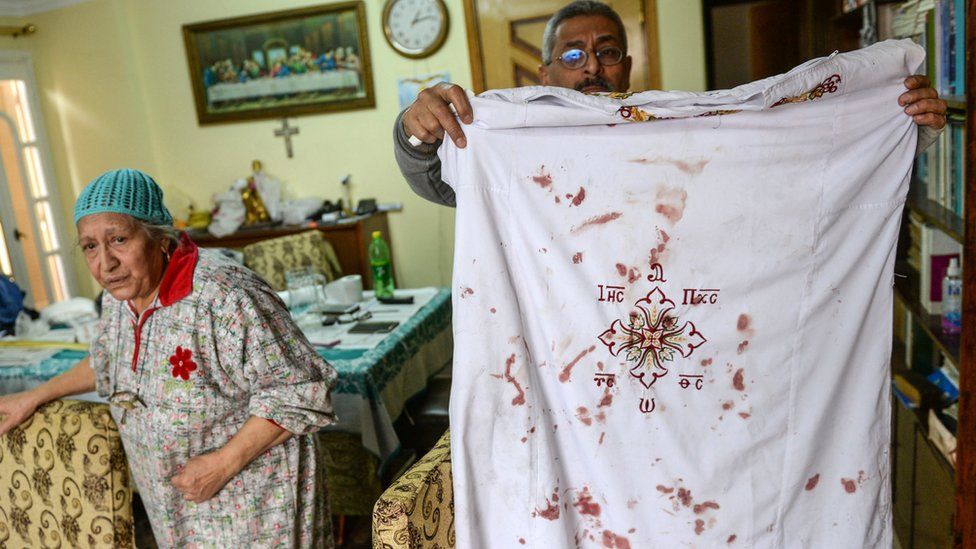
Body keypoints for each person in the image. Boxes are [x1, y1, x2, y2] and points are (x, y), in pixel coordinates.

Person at [0, 169, 337, 547]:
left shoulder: (224, 296)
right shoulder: (120, 298)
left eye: (119, 239)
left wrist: (223, 463)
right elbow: (108, 359)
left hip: (258, 507)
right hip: (177, 508)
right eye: (90, 246)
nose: (105, 263)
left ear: (160, 238)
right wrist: (34, 396)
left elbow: (302, 388)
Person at [393, 0, 949, 207]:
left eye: (607, 51)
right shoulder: (513, 146)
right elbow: (439, 180)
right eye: (573, 55)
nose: (591, 66)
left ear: (627, 66)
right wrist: (417, 131)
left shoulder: (681, 129)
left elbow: (797, 174)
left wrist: (901, 126)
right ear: (543, 72)